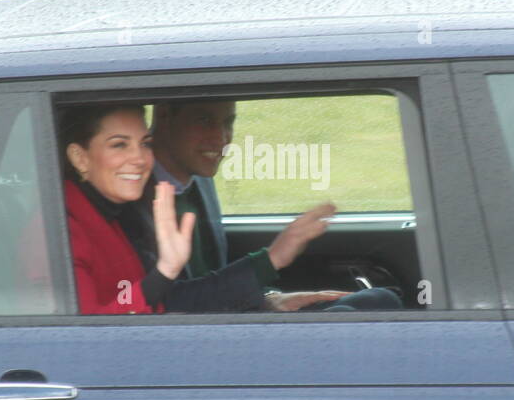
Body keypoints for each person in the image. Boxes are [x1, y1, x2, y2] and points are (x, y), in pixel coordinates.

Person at [57, 103, 339, 315]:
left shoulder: (109, 214)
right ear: (79, 157)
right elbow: (97, 326)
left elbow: (139, 299)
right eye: (119, 145)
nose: (140, 159)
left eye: (145, 144)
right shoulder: (60, 230)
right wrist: (164, 272)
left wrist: (264, 298)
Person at [149, 99, 401, 311]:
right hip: (201, 339)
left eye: (228, 123)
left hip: (225, 313)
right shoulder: (135, 197)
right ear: (164, 116)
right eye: (204, 121)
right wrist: (269, 259)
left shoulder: (197, 179)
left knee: (381, 300)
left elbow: (213, 274)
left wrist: (269, 298)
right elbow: (169, 304)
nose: (221, 138)